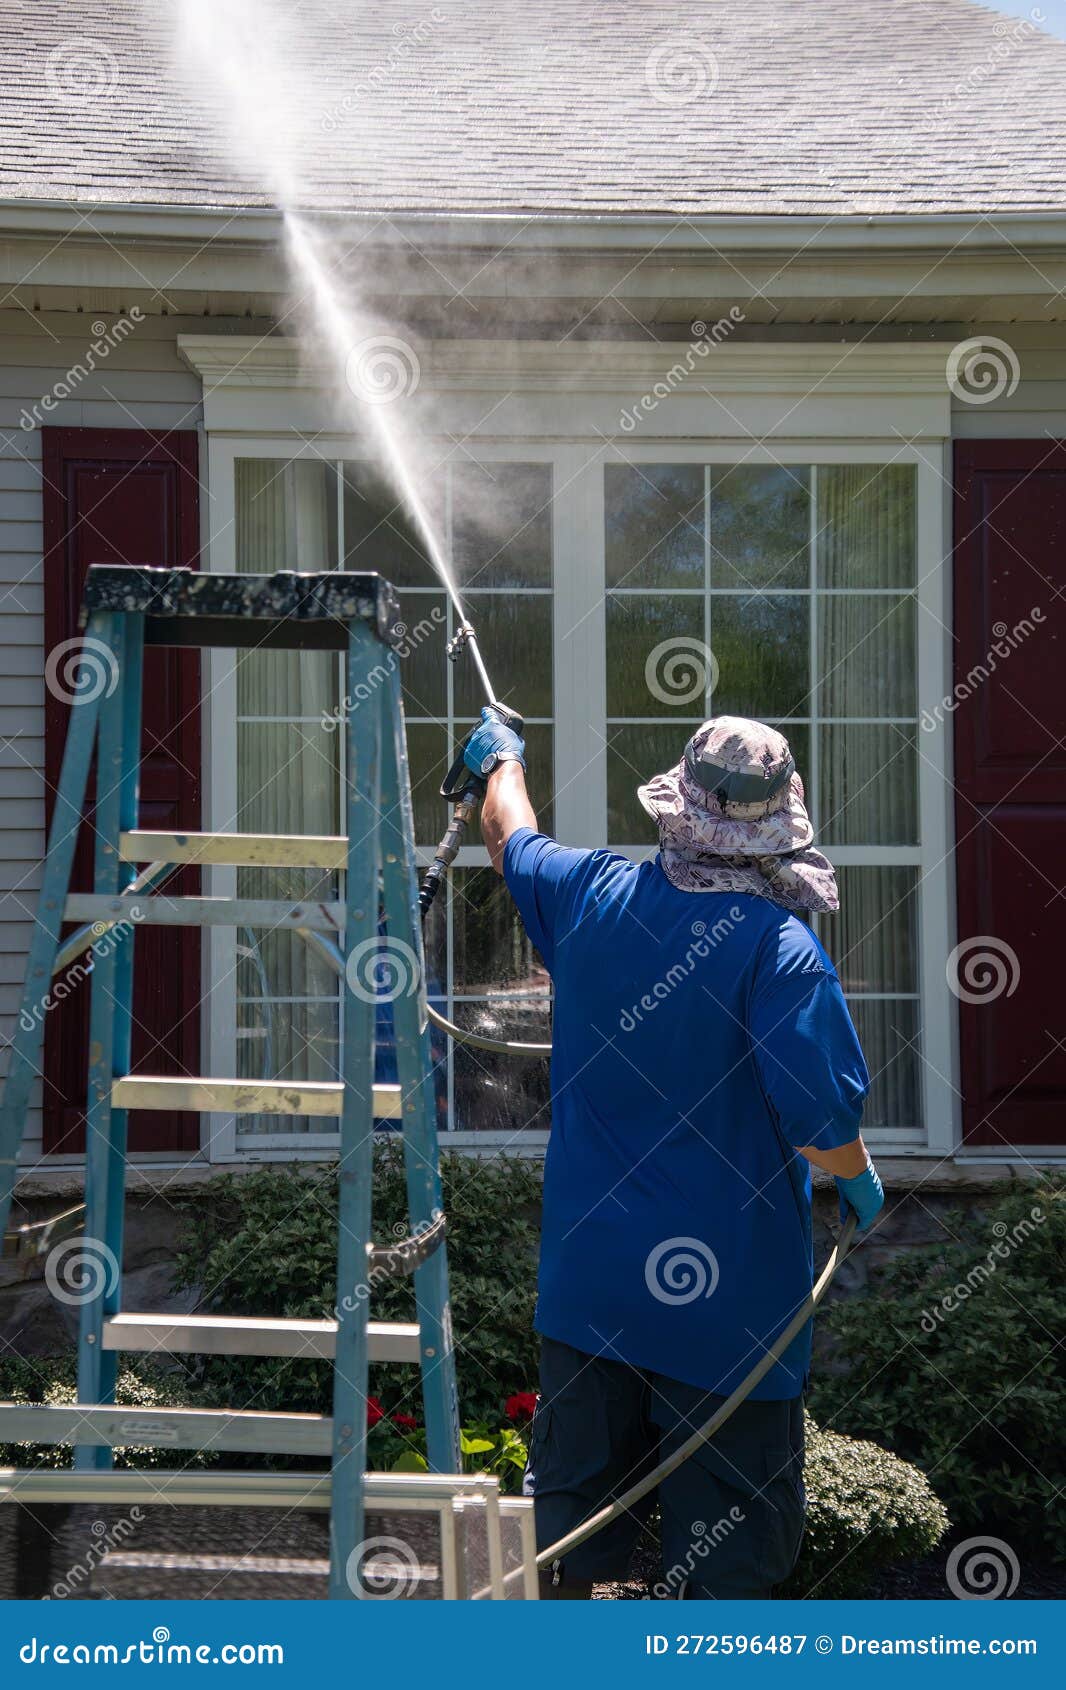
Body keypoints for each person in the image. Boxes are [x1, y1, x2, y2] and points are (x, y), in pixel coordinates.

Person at [461, 708, 885, 1601]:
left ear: (678, 805)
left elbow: (511, 833)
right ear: (777, 825)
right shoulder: (781, 952)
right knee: (730, 1559)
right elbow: (819, 1126)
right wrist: (857, 1179)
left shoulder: (589, 893)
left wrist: (500, 756)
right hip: (729, 1314)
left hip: (593, 1293)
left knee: (570, 1541)